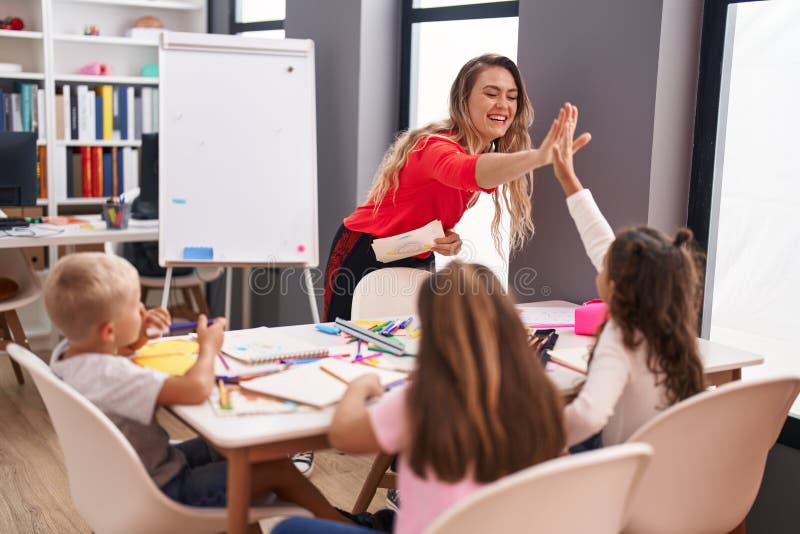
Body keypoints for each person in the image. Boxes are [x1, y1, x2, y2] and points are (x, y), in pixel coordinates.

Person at [43, 253, 347, 523]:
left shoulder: (67, 357)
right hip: (165, 491)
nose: (142, 310)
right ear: (109, 331)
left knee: (232, 445)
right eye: (136, 307)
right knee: (275, 467)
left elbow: (109, 353)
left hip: (124, 479)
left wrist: (137, 334)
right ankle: (349, 528)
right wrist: (208, 348)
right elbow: (196, 388)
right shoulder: (116, 375)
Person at [273, 261, 566, 533]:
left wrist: (360, 386)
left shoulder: (422, 402)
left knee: (287, 529)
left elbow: (342, 435)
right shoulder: (543, 397)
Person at [324, 53, 590, 322]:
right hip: (363, 250)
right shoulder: (435, 147)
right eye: (491, 93)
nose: (503, 105)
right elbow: (468, 172)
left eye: (511, 97)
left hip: (413, 254)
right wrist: (537, 157)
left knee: (412, 344)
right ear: (464, 100)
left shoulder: (477, 150)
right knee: (343, 342)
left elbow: (443, 195)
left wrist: (444, 239)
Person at [549, 104, 706, 450]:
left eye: (605, 265)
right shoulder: (671, 330)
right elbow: (601, 242)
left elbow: (588, 417)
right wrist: (567, 177)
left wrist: (536, 441)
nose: (600, 263)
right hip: (660, 468)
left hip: (616, 475)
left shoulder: (622, 336)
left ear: (617, 285)